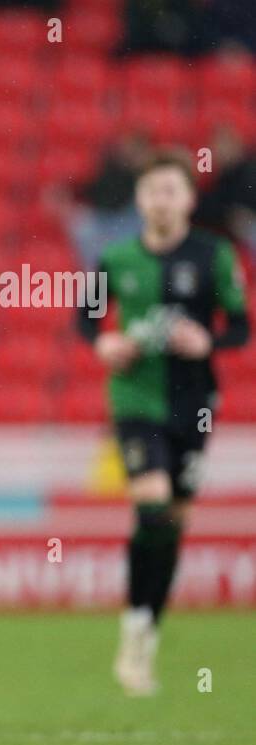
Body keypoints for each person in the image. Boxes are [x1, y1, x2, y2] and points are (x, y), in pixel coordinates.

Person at [76, 152, 249, 695]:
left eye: (171, 191)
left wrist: (209, 342)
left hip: (194, 402)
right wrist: (105, 342)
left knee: (172, 522)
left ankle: (147, 629)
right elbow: (87, 316)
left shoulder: (213, 254)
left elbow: (241, 326)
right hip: (135, 398)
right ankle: (133, 626)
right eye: (151, 191)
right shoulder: (117, 257)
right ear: (139, 199)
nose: (160, 201)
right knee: (151, 506)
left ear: (189, 199)